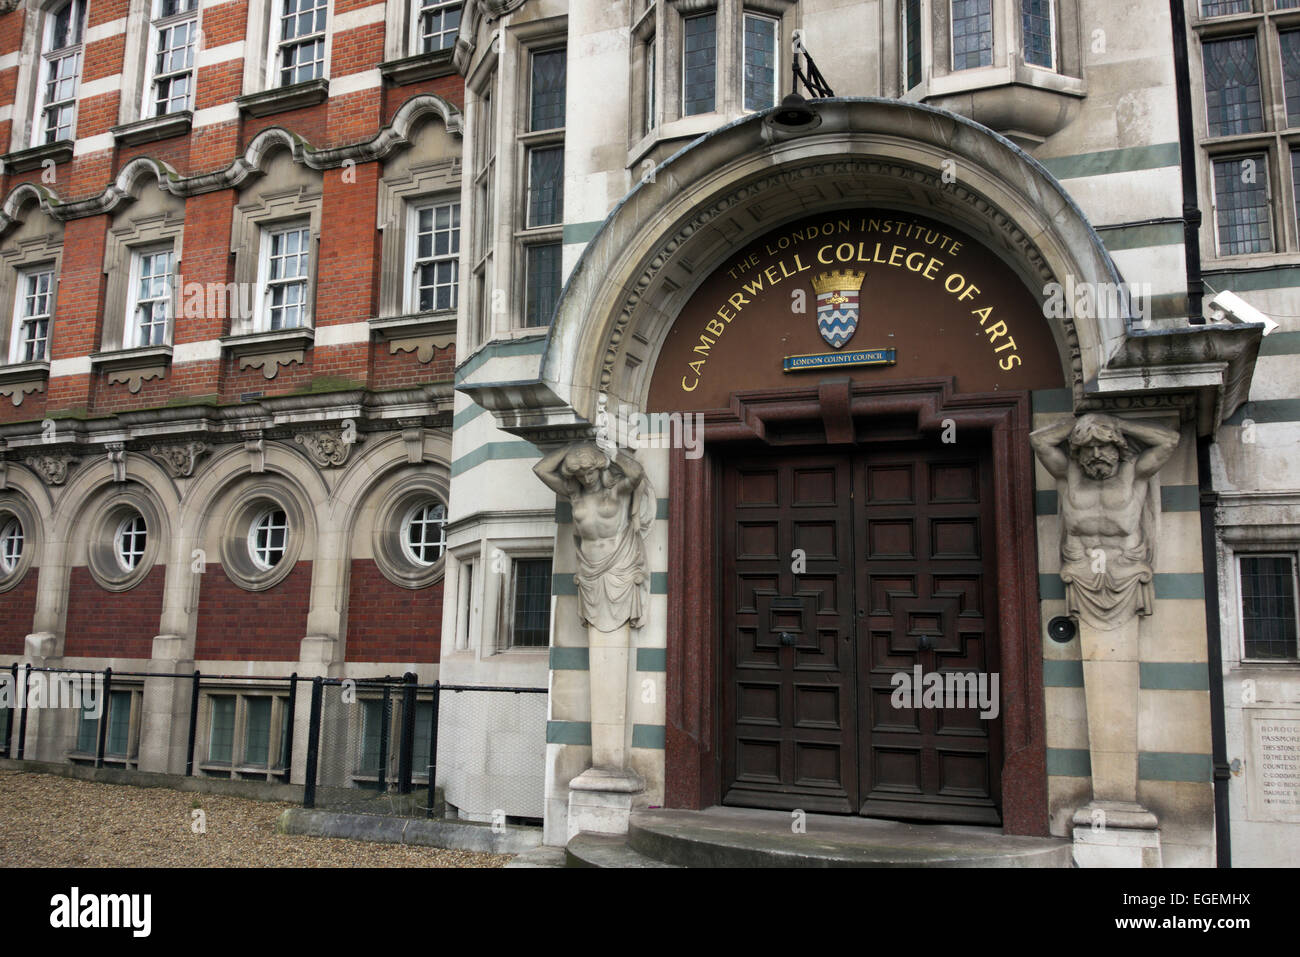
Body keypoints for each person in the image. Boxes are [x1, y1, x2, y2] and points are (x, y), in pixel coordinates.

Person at [1030, 413, 1179, 629]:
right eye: (1088, 449)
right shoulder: (1069, 473)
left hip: (1127, 568)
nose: (1096, 454)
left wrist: (1118, 423)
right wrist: (1083, 422)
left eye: (1103, 447)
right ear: (1077, 453)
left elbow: (1170, 441)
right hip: (1079, 568)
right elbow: (1038, 441)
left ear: (1118, 448)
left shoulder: (1134, 472)